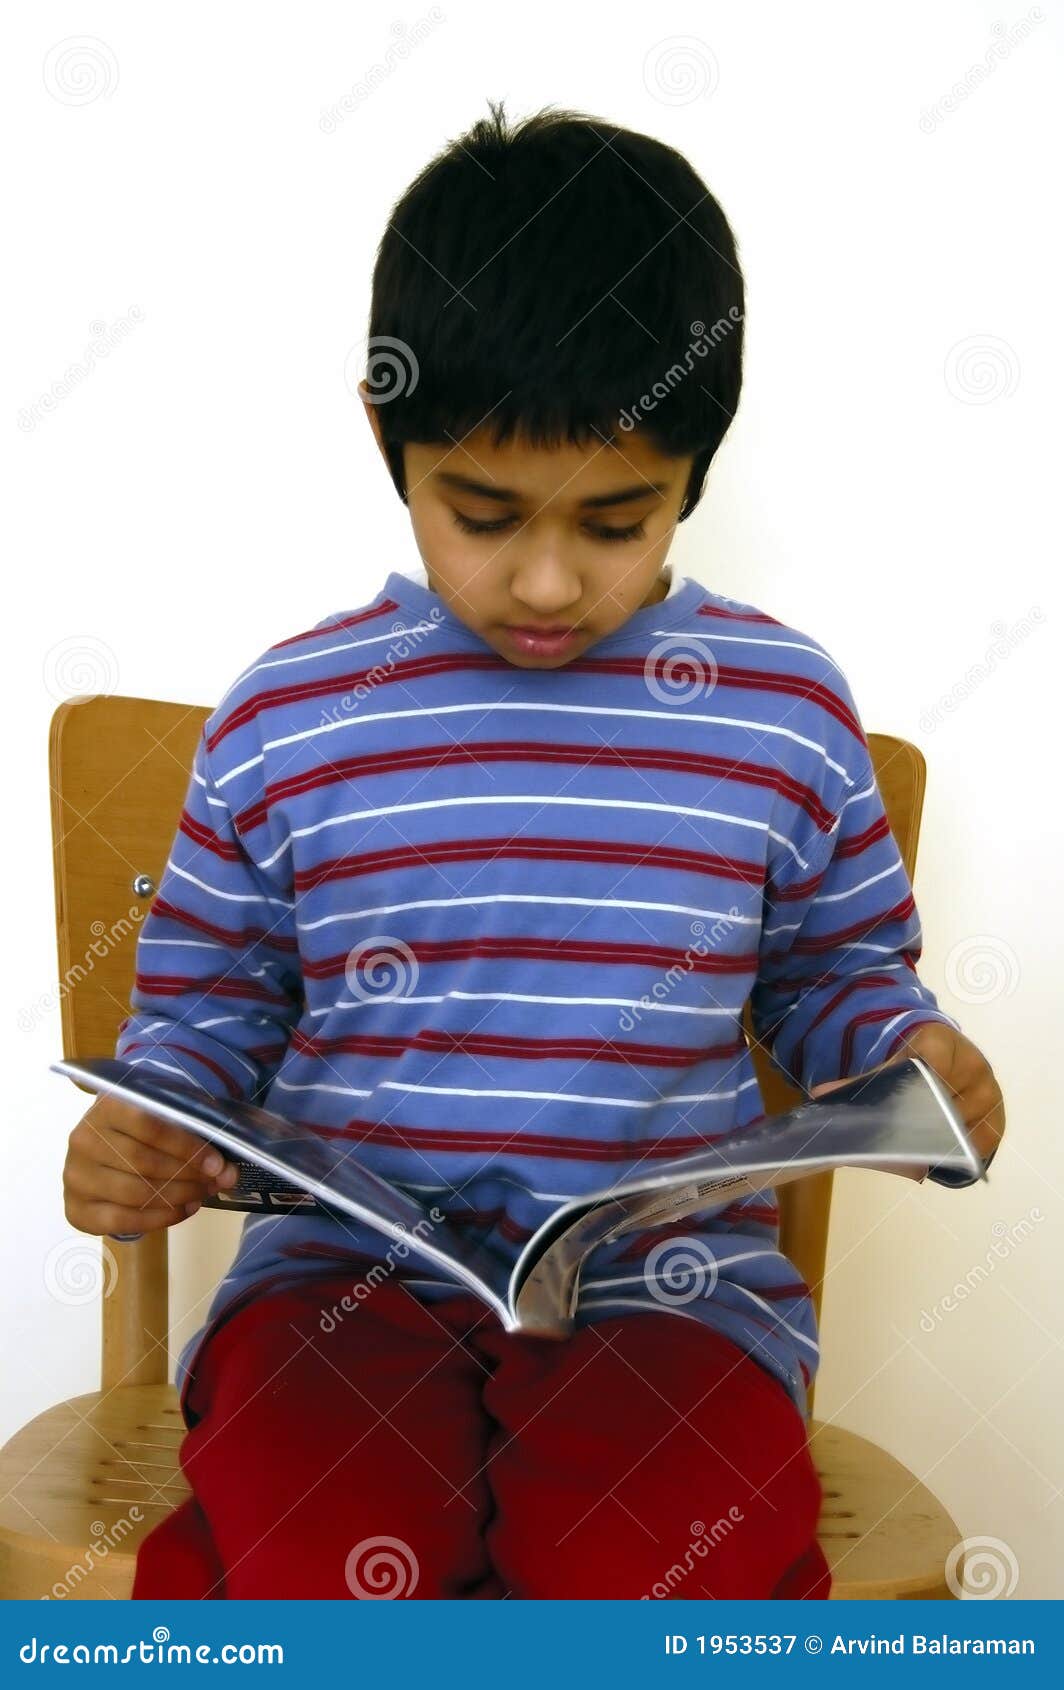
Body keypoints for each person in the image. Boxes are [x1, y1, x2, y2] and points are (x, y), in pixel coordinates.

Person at [62, 100, 1005, 1600]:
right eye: (483, 514)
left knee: (657, 1575)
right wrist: (151, 1126)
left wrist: (912, 1058)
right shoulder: (292, 715)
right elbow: (208, 1010)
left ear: (698, 460)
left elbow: (834, 974)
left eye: (617, 520)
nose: (549, 580)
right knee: (314, 1557)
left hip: (670, 1294)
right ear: (390, 437)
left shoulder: (783, 711)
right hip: (339, 1287)